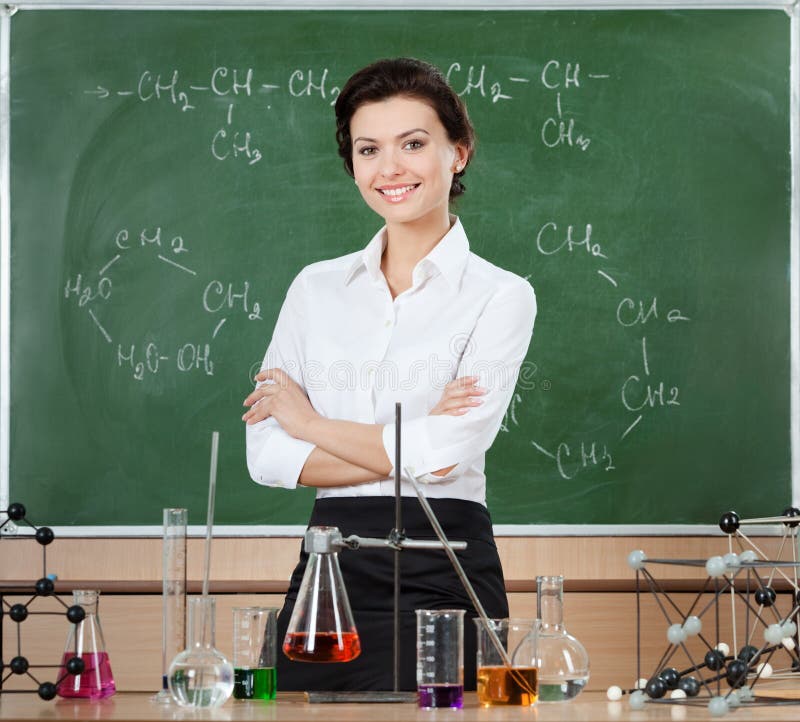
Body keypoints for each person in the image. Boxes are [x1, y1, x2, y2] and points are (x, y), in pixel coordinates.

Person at [243, 57, 536, 692]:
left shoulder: (502, 295)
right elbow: (267, 455)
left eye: (413, 143)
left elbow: (455, 451)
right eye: (368, 149)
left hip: (449, 560)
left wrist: (312, 424)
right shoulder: (315, 289)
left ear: (458, 152)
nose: (389, 168)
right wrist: (418, 442)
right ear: (352, 163)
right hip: (329, 565)